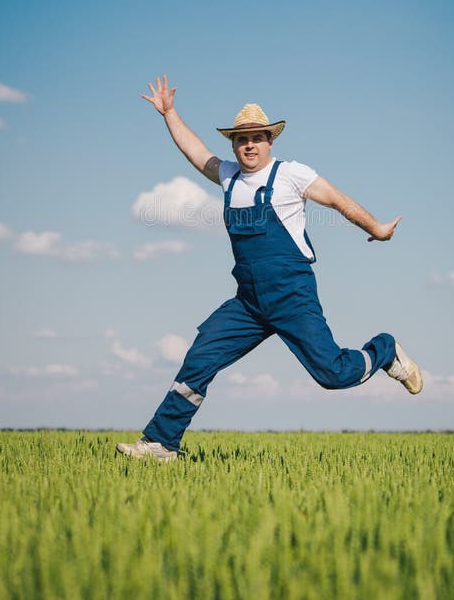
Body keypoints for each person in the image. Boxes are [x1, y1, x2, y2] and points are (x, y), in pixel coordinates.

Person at [116, 76, 423, 462]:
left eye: (257, 137)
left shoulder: (291, 174)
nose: (249, 144)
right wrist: (170, 114)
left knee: (334, 374)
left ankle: (386, 350)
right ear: (233, 144)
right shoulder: (228, 177)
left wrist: (377, 228)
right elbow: (195, 152)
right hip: (248, 302)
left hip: (292, 297)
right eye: (242, 139)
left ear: (269, 141)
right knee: (200, 356)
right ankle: (161, 444)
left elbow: (337, 200)